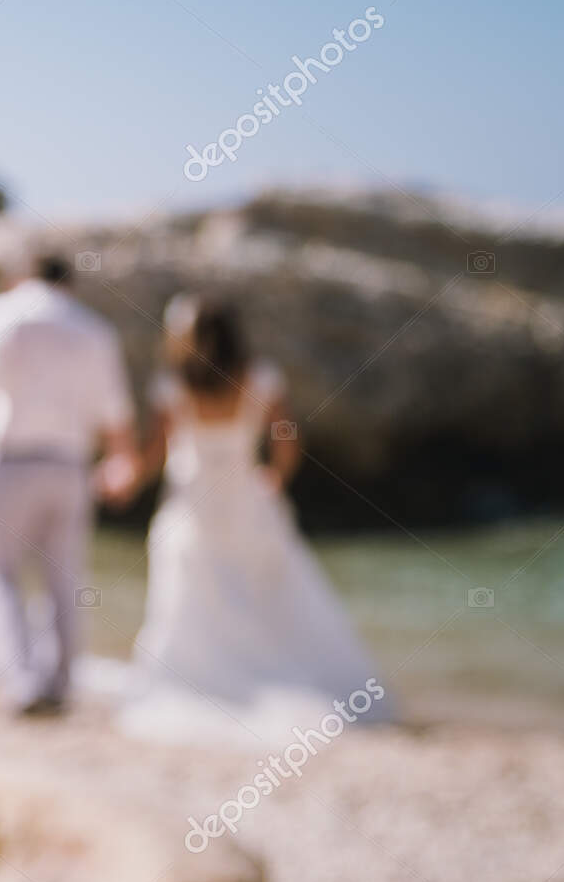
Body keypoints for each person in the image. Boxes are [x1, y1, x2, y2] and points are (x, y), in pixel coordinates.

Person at [120, 293, 381, 725]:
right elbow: (288, 442)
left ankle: (204, 685)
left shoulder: (173, 385)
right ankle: (273, 680)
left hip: (193, 501)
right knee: (264, 597)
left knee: (193, 596)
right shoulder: (260, 377)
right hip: (246, 500)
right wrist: (274, 477)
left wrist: (124, 474)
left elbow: (154, 453)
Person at [0, 253, 139, 715]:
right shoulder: (95, 330)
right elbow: (118, 419)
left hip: (8, 462)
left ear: (20, 278)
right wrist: (123, 463)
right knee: (64, 580)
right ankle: (61, 687)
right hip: (70, 468)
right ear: (70, 284)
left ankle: (23, 684)